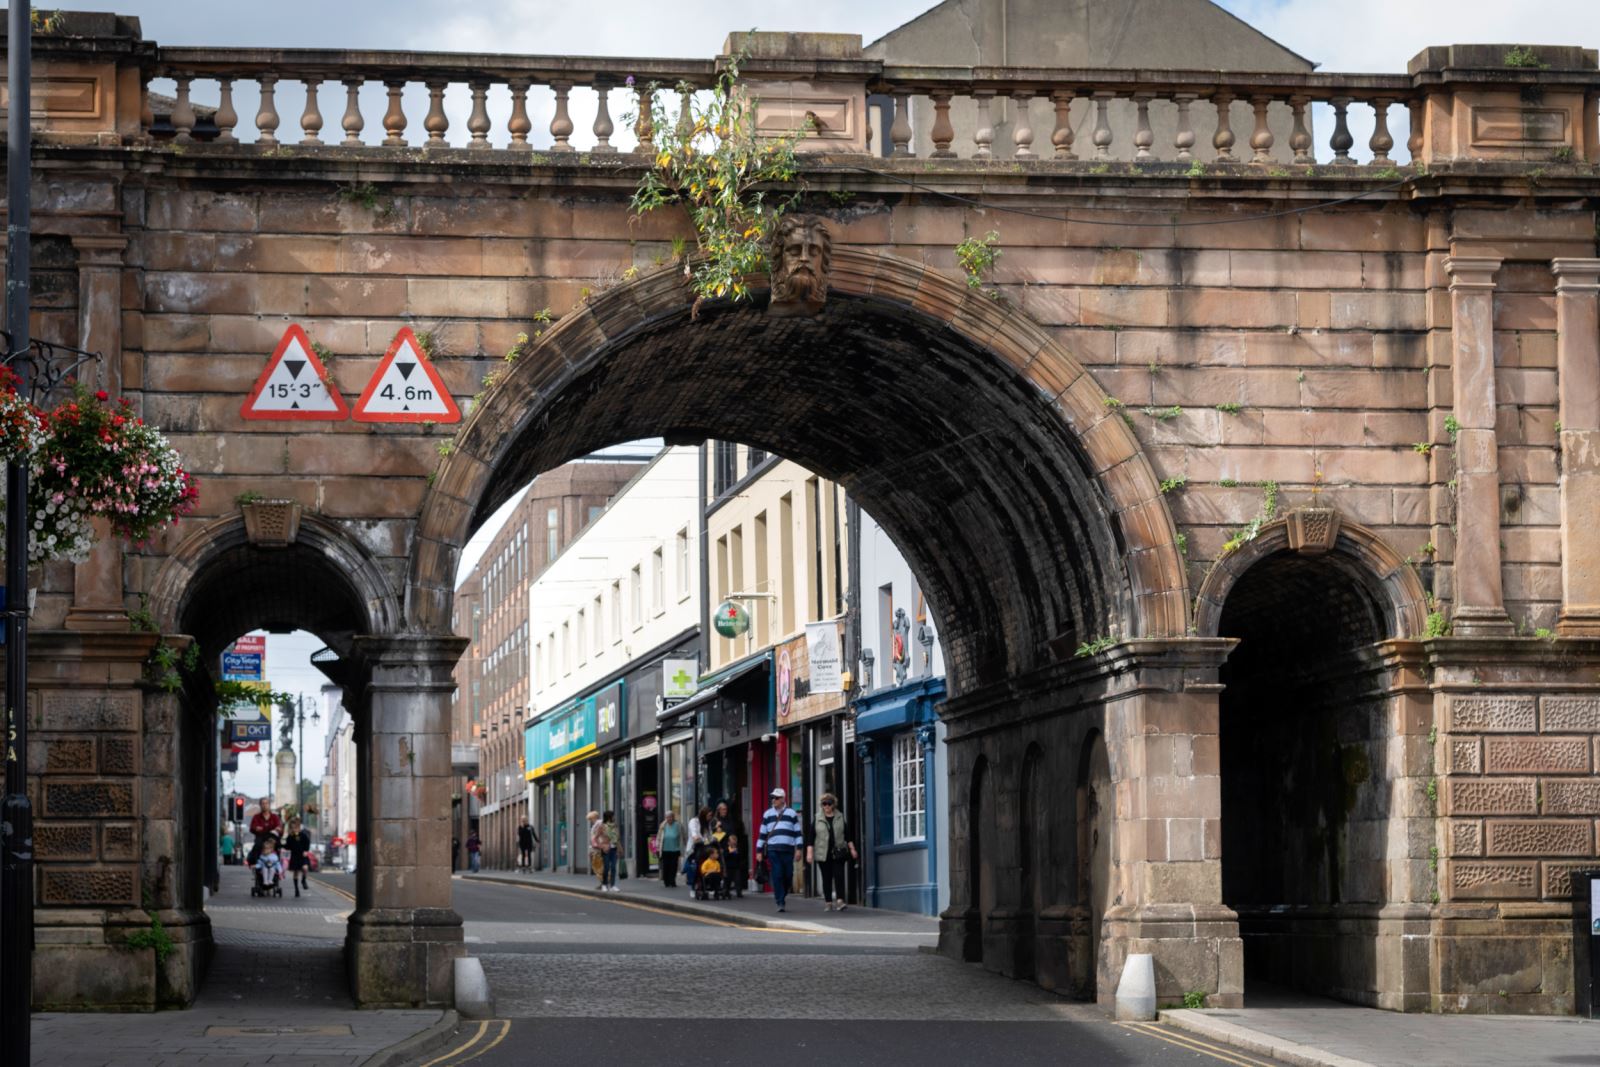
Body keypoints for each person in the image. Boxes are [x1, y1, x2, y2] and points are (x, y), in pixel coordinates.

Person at [806, 792, 857, 912]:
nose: (827, 806)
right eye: (824, 804)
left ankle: (840, 901)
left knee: (839, 876)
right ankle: (828, 902)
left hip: (838, 852)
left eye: (829, 803)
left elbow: (847, 835)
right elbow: (811, 837)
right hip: (823, 853)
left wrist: (852, 849)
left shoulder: (840, 817)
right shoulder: (817, 818)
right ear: (822, 805)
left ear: (833, 804)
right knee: (826, 878)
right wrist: (809, 853)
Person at [755, 788, 804, 913]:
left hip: (788, 850)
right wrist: (759, 851)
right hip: (773, 849)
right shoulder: (767, 814)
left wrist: (799, 849)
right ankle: (780, 901)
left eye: (776, 798)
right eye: (772, 798)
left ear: (783, 799)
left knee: (788, 874)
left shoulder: (791, 813)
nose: (773, 800)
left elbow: (798, 833)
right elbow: (762, 834)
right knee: (777, 874)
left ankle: (783, 893)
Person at [713, 800, 747, 897]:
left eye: (726, 809)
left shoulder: (730, 820)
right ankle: (725, 889)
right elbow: (713, 835)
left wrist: (734, 841)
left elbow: (734, 831)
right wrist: (716, 828)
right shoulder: (716, 821)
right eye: (723, 809)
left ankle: (738, 890)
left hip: (732, 845)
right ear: (718, 810)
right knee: (726, 868)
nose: (725, 811)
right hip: (722, 847)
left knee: (736, 867)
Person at [247, 798, 282, 866]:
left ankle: (277, 864)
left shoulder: (275, 817)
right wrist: (256, 829)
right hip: (261, 836)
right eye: (263, 803)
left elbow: (279, 828)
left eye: (266, 803)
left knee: (278, 845)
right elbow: (252, 828)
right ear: (260, 805)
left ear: (269, 805)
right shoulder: (256, 817)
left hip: (272, 837)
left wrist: (279, 829)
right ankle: (256, 863)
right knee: (257, 845)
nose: (265, 805)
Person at [284, 816, 312, 897]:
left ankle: (303, 880)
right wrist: (283, 846)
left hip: (302, 855)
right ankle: (296, 890)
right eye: (293, 828)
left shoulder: (303, 835)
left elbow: (307, 843)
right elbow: (287, 846)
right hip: (295, 856)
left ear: (299, 827)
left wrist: (306, 851)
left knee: (305, 868)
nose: (294, 829)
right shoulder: (290, 837)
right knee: (296, 873)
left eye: (296, 828)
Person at [654, 810, 682, 889]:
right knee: (666, 866)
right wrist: (657, 847)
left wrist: (684, 845)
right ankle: (666, 881)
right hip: (665, 849)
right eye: (667, 817)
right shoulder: (663, 825)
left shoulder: (678, 825)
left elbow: (683, 835)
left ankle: (672, 881)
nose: (669, 819)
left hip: (675, 849)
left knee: (674, 866)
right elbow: (659, 837)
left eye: (670, 817)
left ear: (673, 817)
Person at [600, 810, 620, 891]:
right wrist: (602, 846)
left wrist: (619, 848)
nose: (614, 817)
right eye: (613, 816)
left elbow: (618, 838)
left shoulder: (615, 826)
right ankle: (604, 884)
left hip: (614, 848)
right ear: (609, 817)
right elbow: (596, 837)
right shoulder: (602, 826)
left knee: (614, 867)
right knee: (606, 867)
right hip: (606, 849)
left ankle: (613, 885)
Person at [587, 811, 606, 890]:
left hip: (597, 848)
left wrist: (597, 845)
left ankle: (603, 883)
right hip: (596, 847)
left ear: (594, 817)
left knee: (598, 866)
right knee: (598, 866)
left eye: (590, 819)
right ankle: (603, 883)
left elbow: (597, 837)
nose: (590, 821)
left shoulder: (599, 824)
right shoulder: (598, 824)